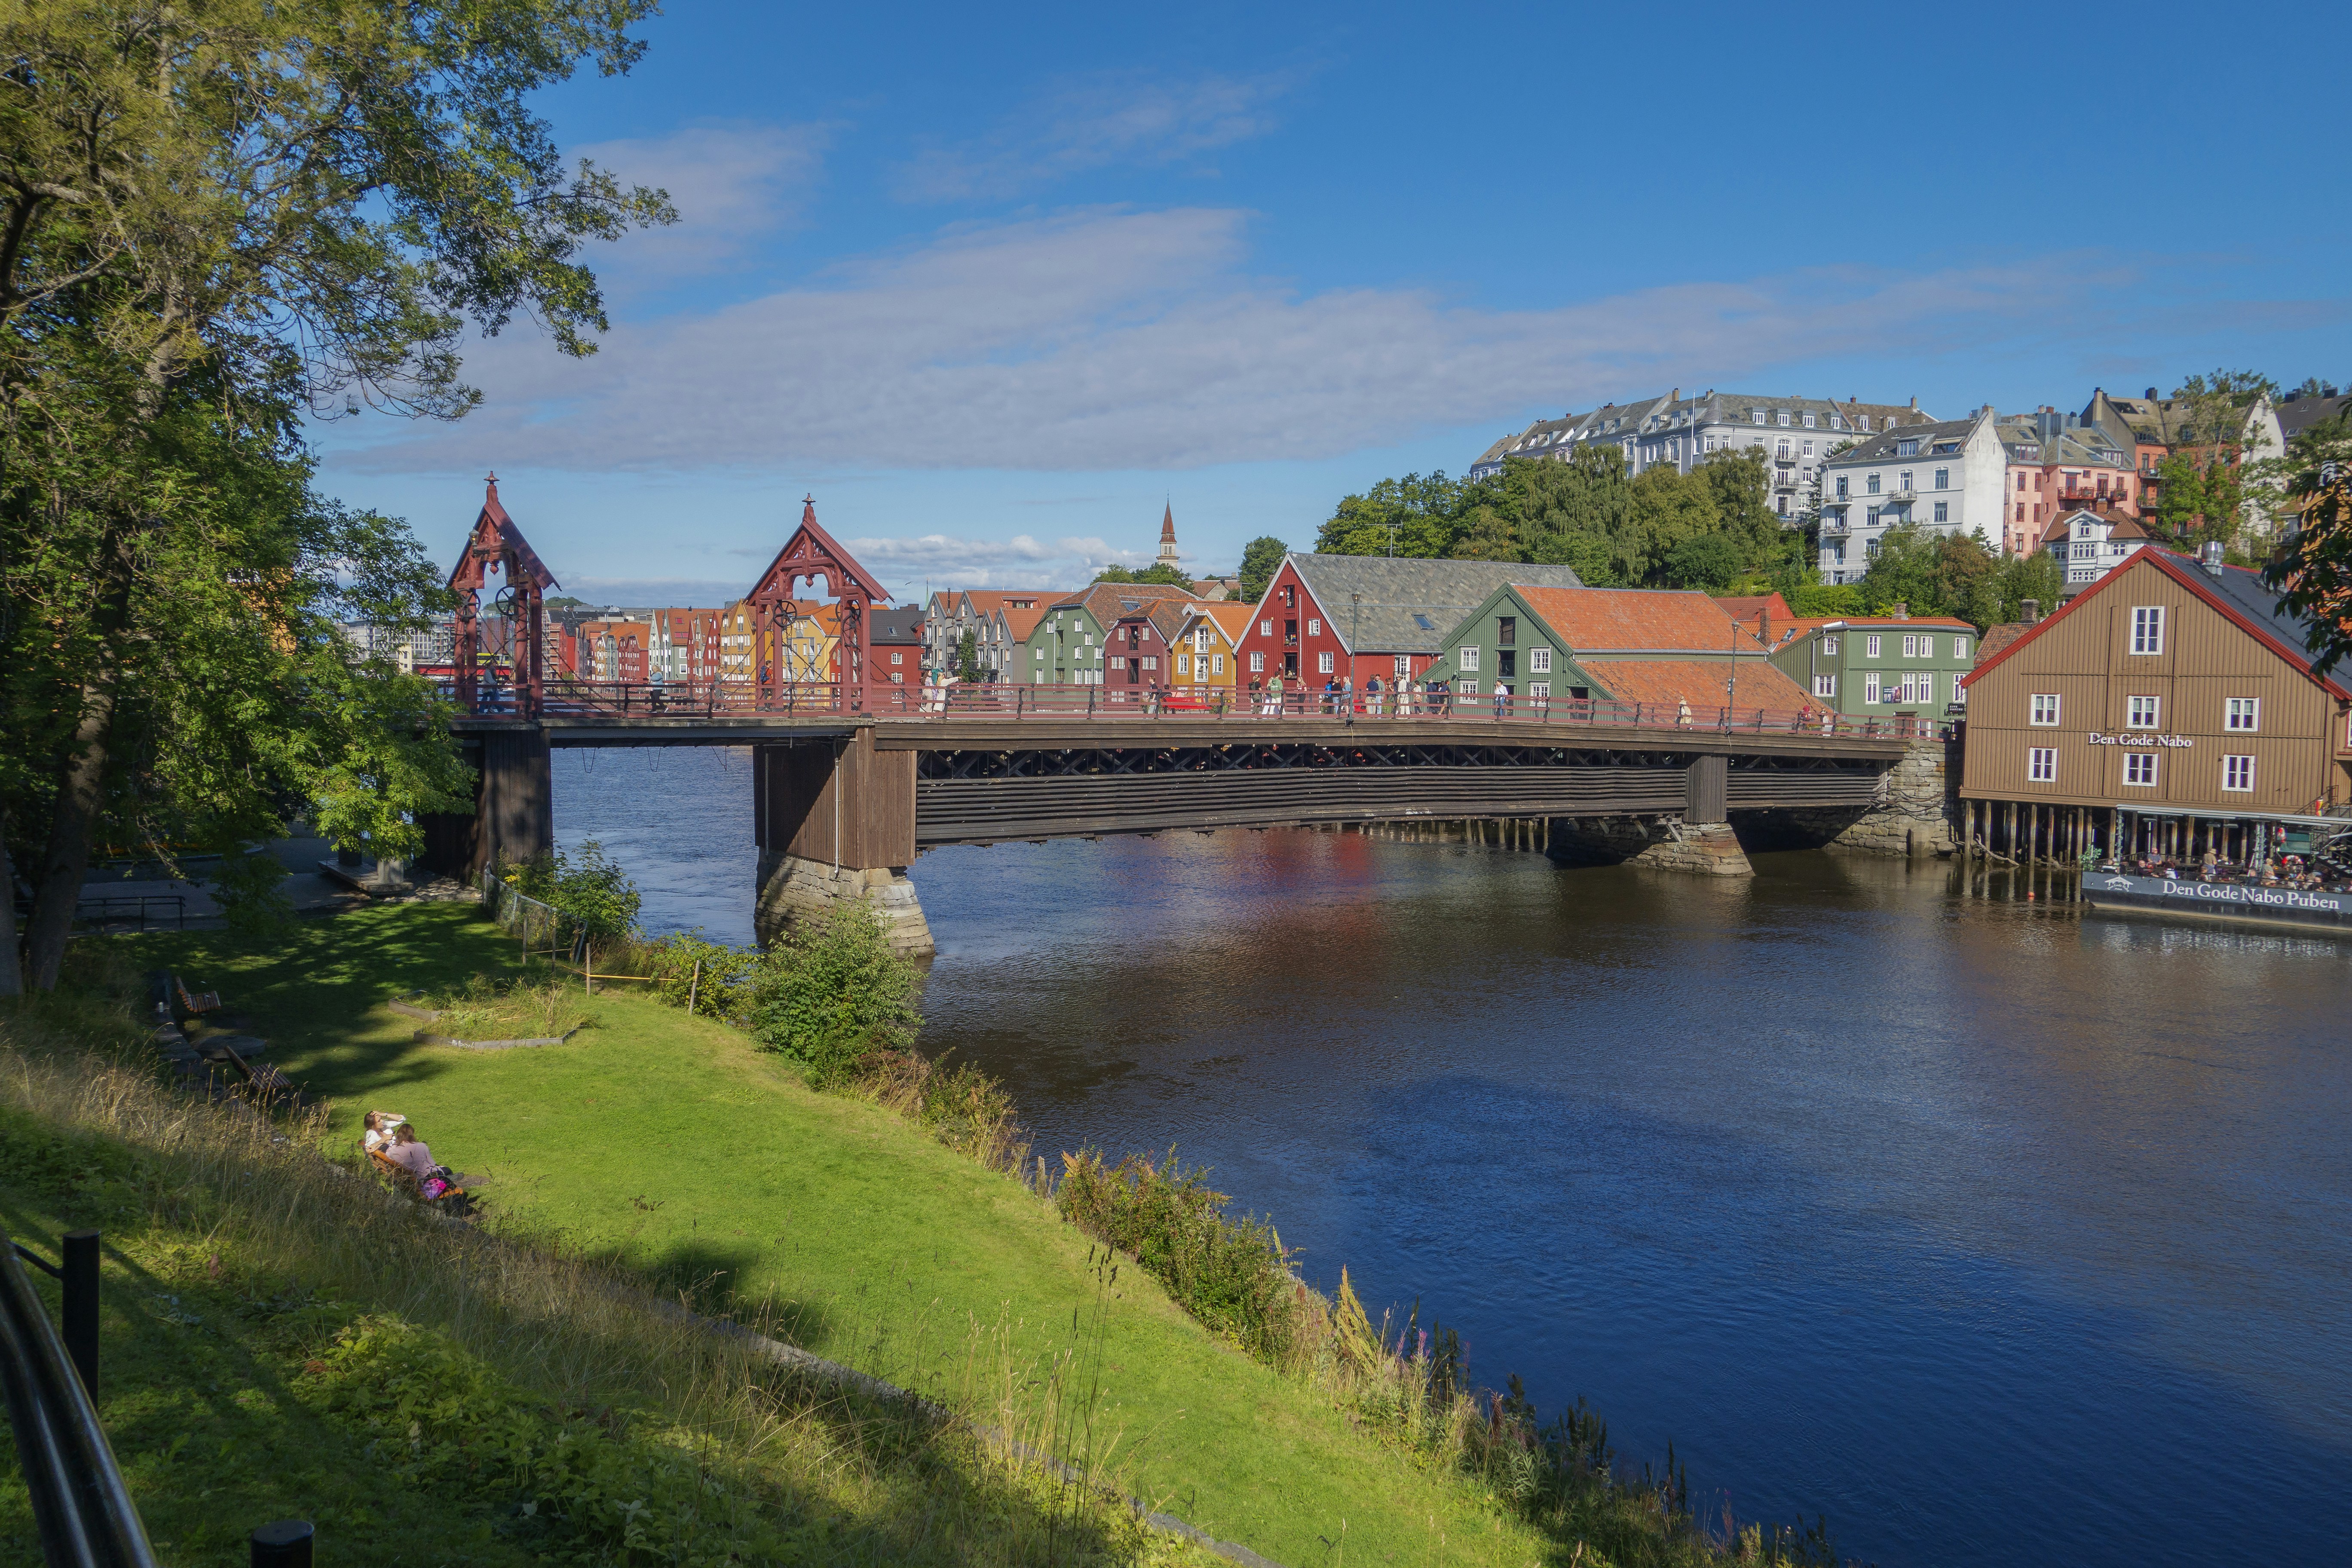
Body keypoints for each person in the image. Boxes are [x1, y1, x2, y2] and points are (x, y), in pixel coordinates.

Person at [385, 1123, 451, 1199]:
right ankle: (447, 1195)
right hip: (424, 1179)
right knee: (447, 1171)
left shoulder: (391, 1150)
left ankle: (444, 1188)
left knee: (443, 1177)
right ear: (412, 1135)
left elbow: (388, 1155)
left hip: (407, 1181)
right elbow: (433, 1163)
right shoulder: (421, 1146)